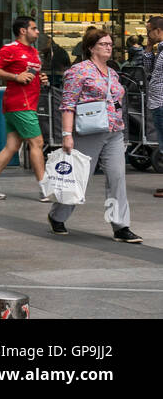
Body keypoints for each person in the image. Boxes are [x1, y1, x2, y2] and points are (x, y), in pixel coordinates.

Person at [49, 28, 141, 242]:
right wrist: (66, 135)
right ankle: (57, 215)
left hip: (113, 132)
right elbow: (68, 104)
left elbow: (116, 101)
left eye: (110, 44)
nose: (108, 47)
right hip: (88, 132)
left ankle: (120, 226)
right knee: (79, 178)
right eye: (103, 44)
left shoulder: (113, 72)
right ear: (91, 48)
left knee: (117, 178)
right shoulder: (79, 71)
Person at [0, 16, 49, 202]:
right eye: (34, 28)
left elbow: (33, 74)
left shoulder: (34, 51)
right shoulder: (10, 49)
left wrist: (41, 79)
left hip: (26, 104)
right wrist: (15, 77)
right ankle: (45, 188)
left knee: (12, 146)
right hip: (20, 104)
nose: (38, 31)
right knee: (37, 143)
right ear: (23, 30)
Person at [146, 17, 163, 198]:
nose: (147, 35)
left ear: (158, 30)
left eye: (149, 31)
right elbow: (149, 70)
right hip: (158, 102)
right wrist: (149, 48)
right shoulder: (160, 50)